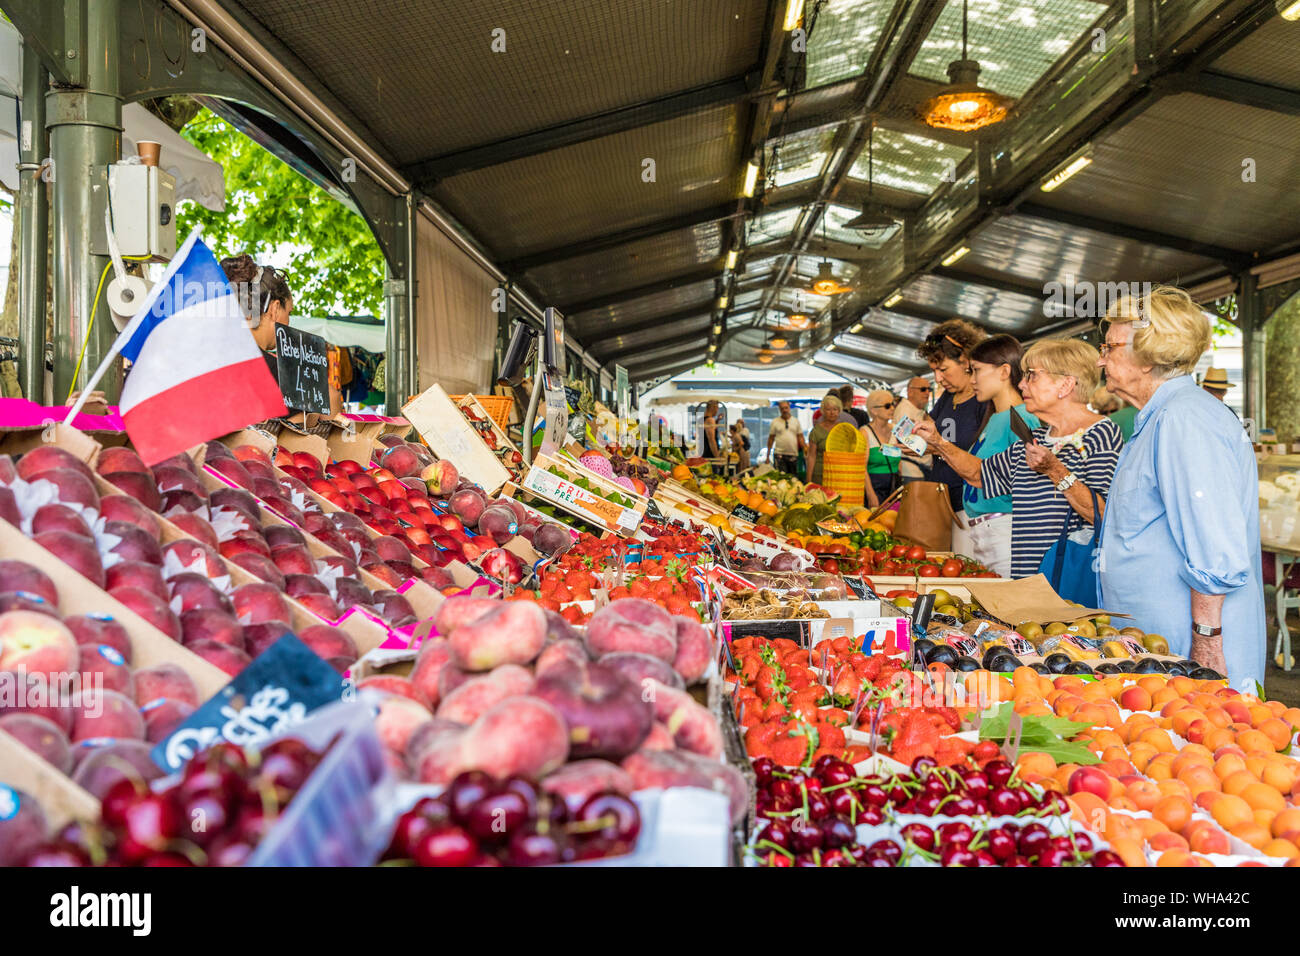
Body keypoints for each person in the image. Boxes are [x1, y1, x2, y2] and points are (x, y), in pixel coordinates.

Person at [1097, 288, 1264, 690]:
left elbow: (1214, 543)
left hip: (1188, 655)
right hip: (1159, 653)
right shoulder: (1159, 417)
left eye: (1110, 346)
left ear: (1149, 353)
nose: (1101, 358)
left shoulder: (1184, 418)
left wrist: (1206, 642)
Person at [918, 338, 1121, 584]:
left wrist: (1055, 471)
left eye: (1032, 376)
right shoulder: (1036, 437)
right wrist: (939, 443)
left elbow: (1104, 514)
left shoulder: (1100, 432)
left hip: (1070, 580)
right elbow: (980, 475)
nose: (1022, 383)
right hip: (1027, 578)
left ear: (1065, 384)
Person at [913, 335, 1038, 577]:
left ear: (1003, 372)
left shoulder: (1021, 419)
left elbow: (984, 474)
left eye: (976, 370)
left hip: (1007, 532)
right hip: (984, 532)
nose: (972, 380)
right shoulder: (994, 419)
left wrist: (939, 444)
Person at [917, 320, 990, 510]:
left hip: (972, 506)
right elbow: (930, 433)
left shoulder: (986, 402)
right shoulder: (947, 398)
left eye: (943, 370)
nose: (938, 379)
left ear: (965, 361)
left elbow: (989, 463)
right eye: (934, 371)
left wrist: (938, 447)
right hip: (942, 500)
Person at [221, 255, 293, 377]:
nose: (289, 321)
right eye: (289, 312)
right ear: (274, 309)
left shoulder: (217, 360)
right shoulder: (281, 376)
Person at [862, 389, 902, 508]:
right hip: (875, 487)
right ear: (874, 410)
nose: (892, 408)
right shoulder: (865, 432)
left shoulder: (896, 429)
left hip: (894, 487)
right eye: (887, 406)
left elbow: (899, 462)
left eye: (893, 404)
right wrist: (870, 494)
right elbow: (861, 467)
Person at [805, 394, 841, 486]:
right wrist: (808, 479)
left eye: (835, 409)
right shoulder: (816, 431)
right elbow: (811, 456)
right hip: (819, 475)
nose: (832, 413)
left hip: (839, 475)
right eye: (828, 409)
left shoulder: (844, 429)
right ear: (823, 411)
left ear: (839, 411)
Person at [767, 401, 804, 473]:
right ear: (779, 410)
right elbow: (771, 439)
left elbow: (800, 437)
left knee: (793, 478)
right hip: (779, 455)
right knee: (780, 477)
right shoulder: (775, 422)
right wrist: (767, 456)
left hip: (793, 454)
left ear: (789, 408)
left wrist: (805, 450)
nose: (784, 410)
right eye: (782, 408)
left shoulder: (796, 421)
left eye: (786, 408)